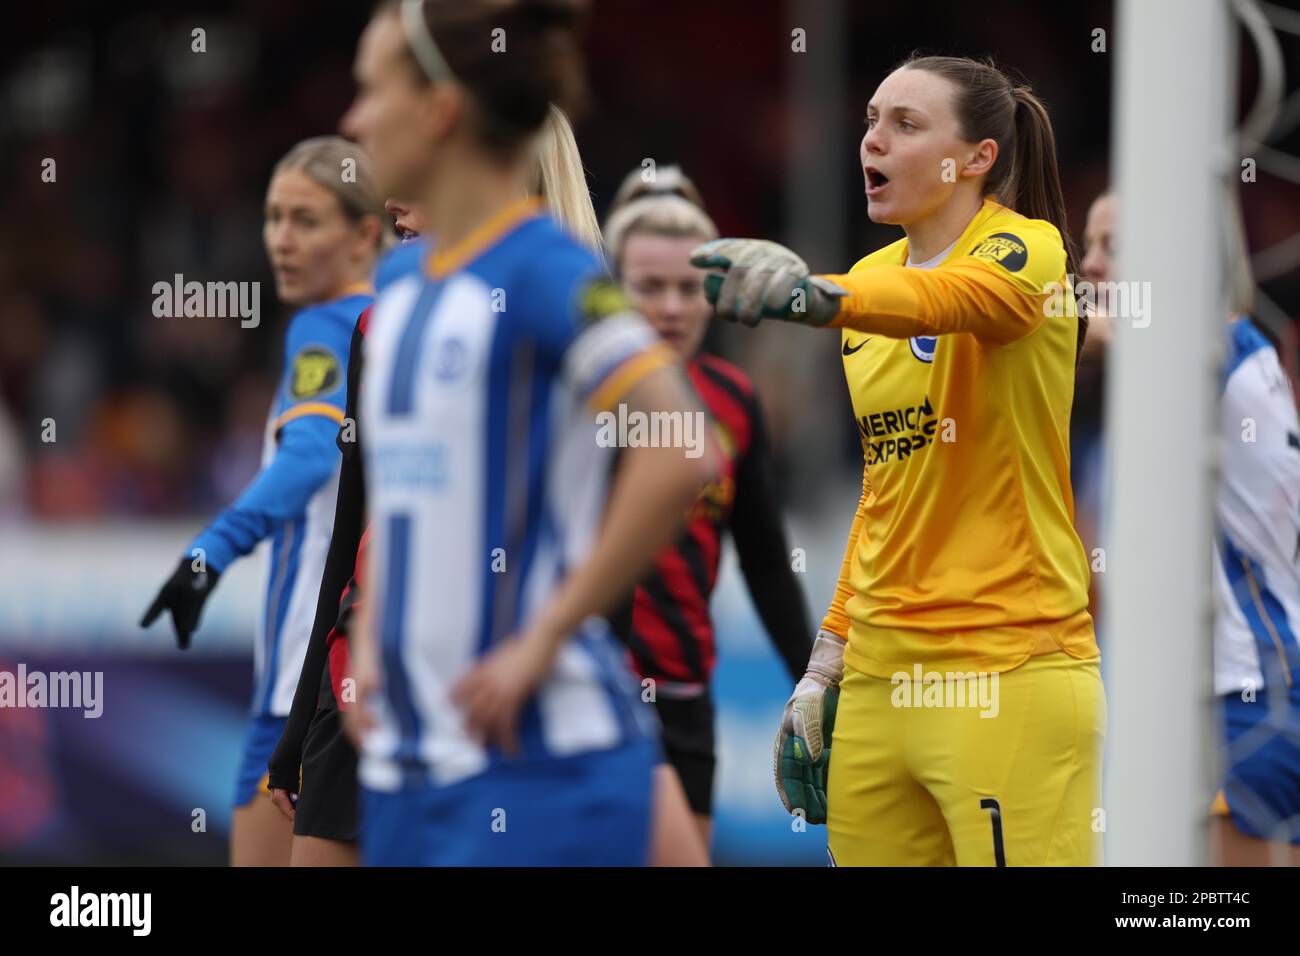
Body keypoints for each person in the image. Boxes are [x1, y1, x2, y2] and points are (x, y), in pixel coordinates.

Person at [692, 54, 1105, 865]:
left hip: (1006, 669)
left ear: (977, 159)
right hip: (880, 684)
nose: (872, 140)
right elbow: (889, 489)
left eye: (905, 125)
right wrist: (826, 661)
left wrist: (817, 297)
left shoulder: (1029, 253)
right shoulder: (870, 284)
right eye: (872, 120)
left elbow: (953, 300)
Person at [338, 0, 715, 866]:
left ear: (439, 111)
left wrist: (542, 638)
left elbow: (685, 445)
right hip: (407, 765)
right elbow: (404, 492)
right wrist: (370, 638)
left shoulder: (547, 269)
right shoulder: (395, 286)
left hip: (542, 763)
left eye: (371, 90)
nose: (354, 120)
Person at [266, 104, 664, 866]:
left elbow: (668, 460)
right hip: (371, 688)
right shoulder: (385, 316)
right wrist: (308, 710)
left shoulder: (562, 287)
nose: (393, 199)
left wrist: (550, 643)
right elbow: (361, 523)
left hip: (509, 692)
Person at [139, 136, 387, 866]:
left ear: (364, 233)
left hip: (297, 687)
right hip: (352, 670)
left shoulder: (326, 328)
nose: (280, 239)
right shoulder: (393, 324)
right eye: (273, 217)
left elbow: (311, 454)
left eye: (306, 220)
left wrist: (209, 552)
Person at [1081, 189, 1300, 864]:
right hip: (1251, 686)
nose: (1088, 267)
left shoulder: (1200, 353)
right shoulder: (1230, 350)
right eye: (1085, 247)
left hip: (1248, 696)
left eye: (1112, 247)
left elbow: (1061, 329)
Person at [603, 166, 813, 853]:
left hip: (687, 701)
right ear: (612, 290)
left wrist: (814, 683)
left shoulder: (732, 401)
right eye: (649, 287)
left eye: (689, 288)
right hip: (592, 694)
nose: (670, 307)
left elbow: (766, 565)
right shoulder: (580, 398)